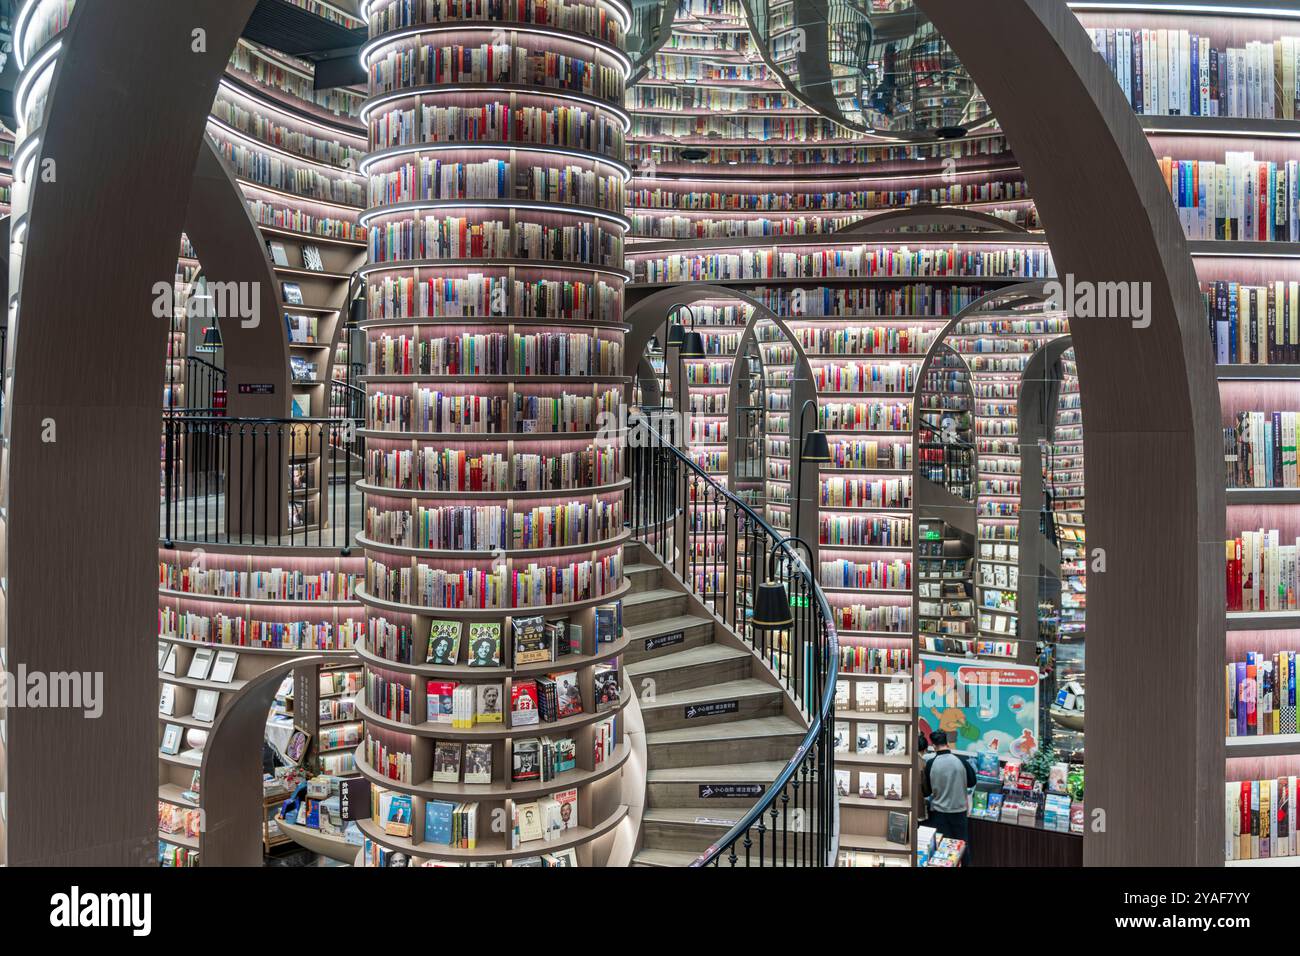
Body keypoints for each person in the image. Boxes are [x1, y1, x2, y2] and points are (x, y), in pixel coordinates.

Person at [923, 729, 976, 862]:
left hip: (939, 813)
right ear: (947, 743)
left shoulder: (930, 764)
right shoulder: (962, 762)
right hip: (959, 812)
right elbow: (972, 782)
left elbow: (927, 791)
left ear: (933, 745)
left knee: (941, 851)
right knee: (962, 846)